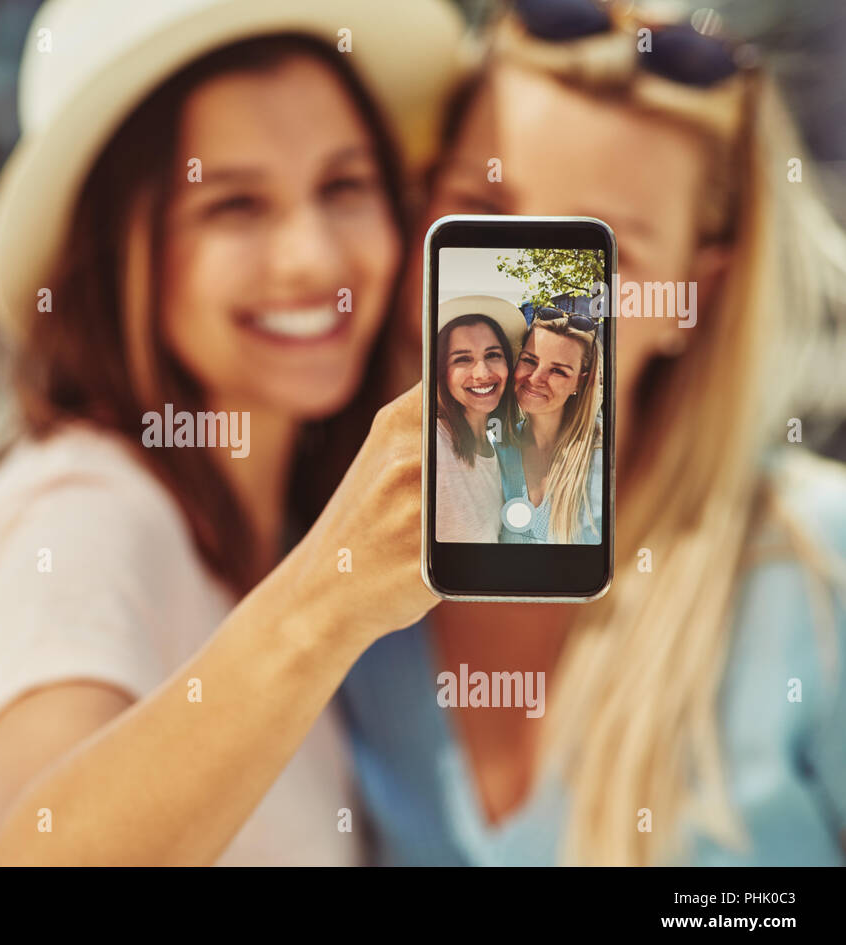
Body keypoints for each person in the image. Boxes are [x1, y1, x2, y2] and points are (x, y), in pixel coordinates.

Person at [0, 0, 465, 865]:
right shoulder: (76, 517)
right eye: (235, 206)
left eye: (344, 187)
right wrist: (328, 602)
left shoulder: (245, 539)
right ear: (116, 250)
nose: (314, 259)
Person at [342, 0, 846, 865]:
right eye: (481, 214)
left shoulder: (814, 564)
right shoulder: (338, 585)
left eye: (595, 257)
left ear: (694, 296)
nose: (526, 302)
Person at [497, 309, 603, 544]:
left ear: (581, 381)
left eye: (558, 371)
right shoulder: (494, 450)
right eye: (529, 361)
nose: (535, 378)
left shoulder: (605, 458)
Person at [434, 296, 525, 543]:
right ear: (441, 370)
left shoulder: (492, 446)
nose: (482, 373)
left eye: (493, 355)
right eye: (462, 359)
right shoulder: (433, 445)